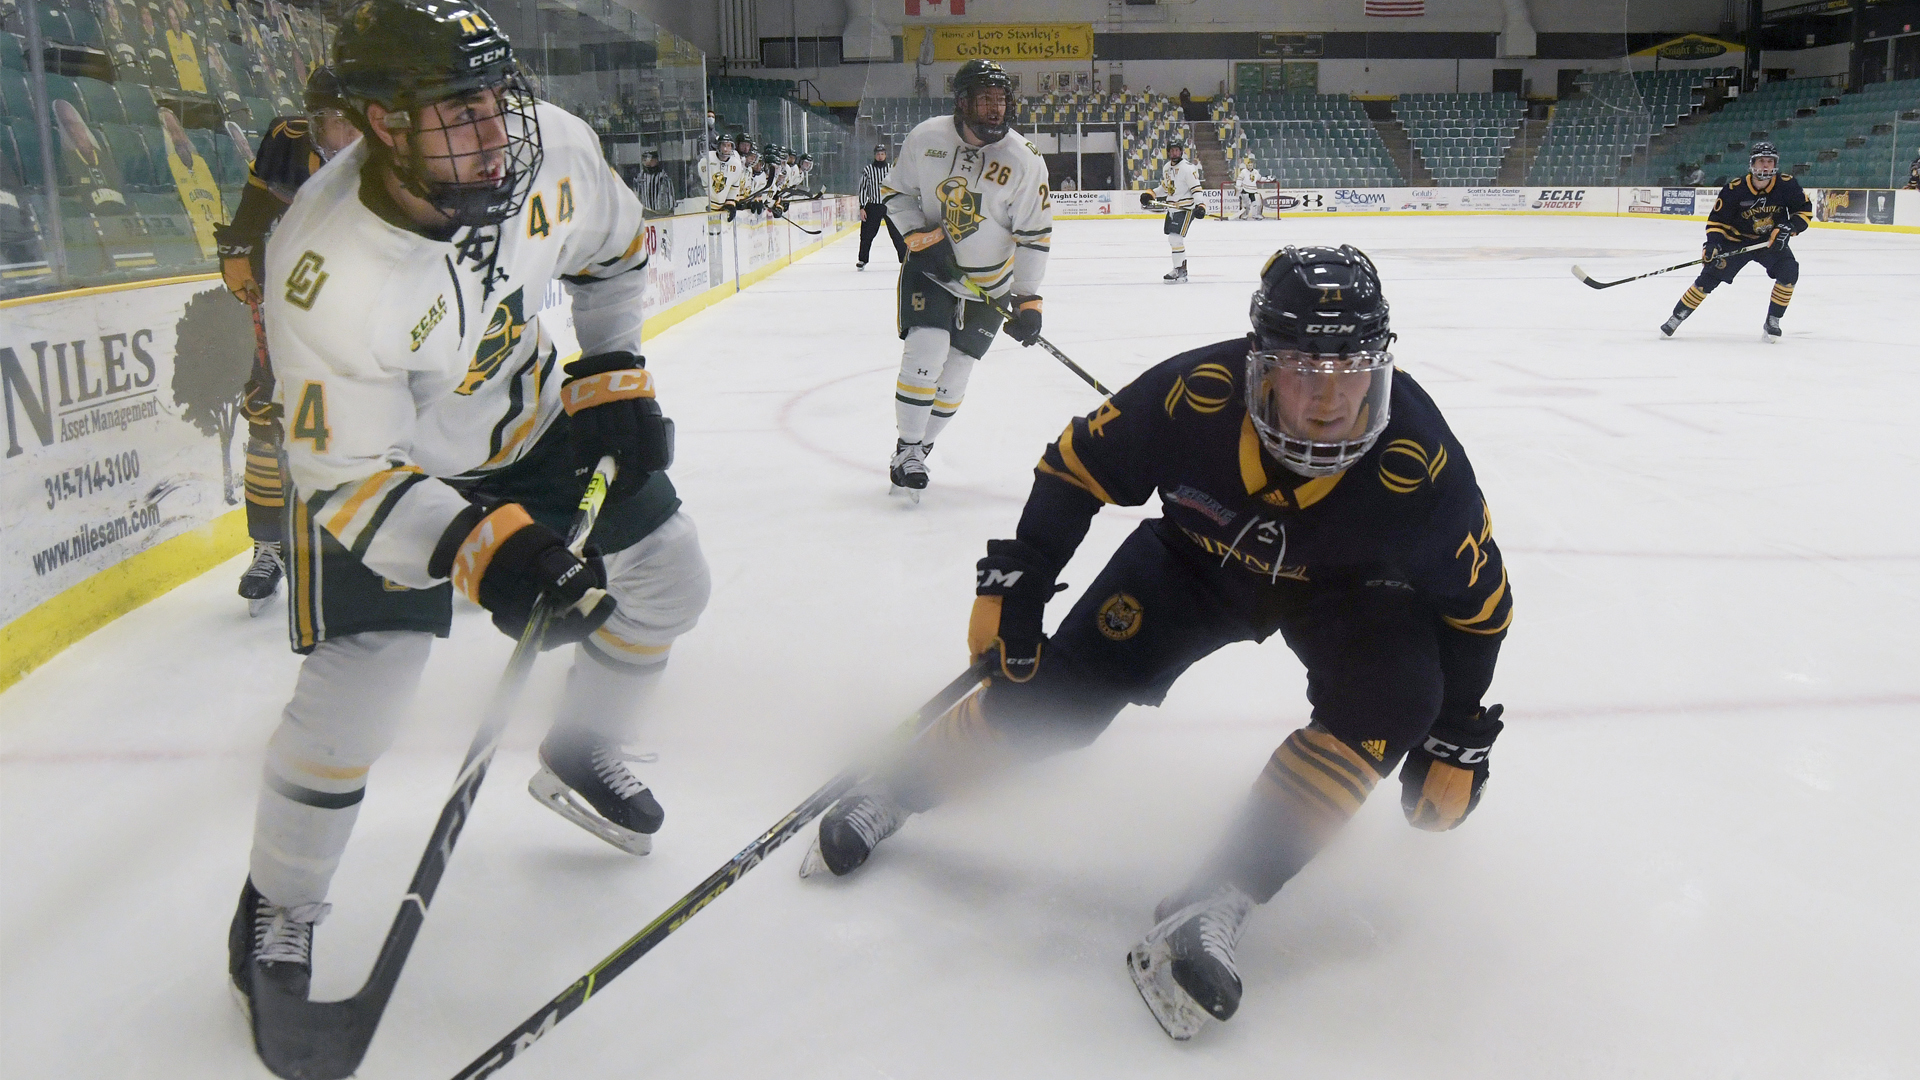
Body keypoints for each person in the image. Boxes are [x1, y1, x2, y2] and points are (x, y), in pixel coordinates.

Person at [805, 244, 1511, 1041]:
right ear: (1258, 366)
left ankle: (1219, 897)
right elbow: (1075, 468)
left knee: (1397, 697)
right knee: (1061, 699)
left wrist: (1455, 733)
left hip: (1346, 594)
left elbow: (1479, 609)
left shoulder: (1421, 462)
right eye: (1301, 368)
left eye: (1351, 368)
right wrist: (1023, 574)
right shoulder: (1196, 392)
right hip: (1196, 561)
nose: (1329, 398)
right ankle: (895, 786)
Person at [227, 0, 711, 1028]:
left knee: (671, 580)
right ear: (383, 124)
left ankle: (582, 746)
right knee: (365, 686)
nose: (498, 128)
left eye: (497, 96)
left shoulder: (551, 156)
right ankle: (280, 902)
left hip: (528, 423)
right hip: (380, 466)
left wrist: (614, 367)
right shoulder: (324, 269)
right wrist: (485, 552)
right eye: (459, 109)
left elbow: (613, 250)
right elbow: (350, 477)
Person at [213, 67, 361, 613]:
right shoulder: (286, 141)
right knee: (266, 417)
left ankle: (374, 535)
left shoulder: (389, 153)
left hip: (363, 315)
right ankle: (270, 548)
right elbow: (250, 218)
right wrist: (237, 252)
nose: (337, 129)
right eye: (329, 117)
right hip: (290, 308)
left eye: (349, 117)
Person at [880, 58, 1052, 500]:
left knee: (956, 374)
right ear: (961, 102)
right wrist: (919, 236)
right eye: (985, 99)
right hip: (932, 270)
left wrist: (1028, 301)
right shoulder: (926, 137)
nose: (996, 109)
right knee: (927, 349)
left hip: (990, 286)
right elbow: (897, 194)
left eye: (1001, 100)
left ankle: (914, 449)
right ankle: (910, 451)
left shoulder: (1025, 160)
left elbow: (1034, 236)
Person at [1661, 141, 1810, 343]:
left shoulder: (1787, 185)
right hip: (1735, 241)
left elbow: (1804, 211)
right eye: (1761, 161)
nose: (1765, 166)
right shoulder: (1734, 189)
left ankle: (1773, 320)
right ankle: (1676, 317)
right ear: (1752, 164)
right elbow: (1716, 221)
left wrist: (1789, 227)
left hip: (1769, 243)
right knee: (1708, 279)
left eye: (1769, 161)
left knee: (1789, 271)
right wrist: (1712, 244)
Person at [1154, 134, 1203, 282]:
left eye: (1177, 150)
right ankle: (1179, 269)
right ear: (1168, 152)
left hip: (1185, 208)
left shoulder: (1188, 168)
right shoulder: (1167, 168)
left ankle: (1180, 270)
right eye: (1172, 150)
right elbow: (1166, 188)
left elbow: (1196, 189)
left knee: (1175, 238)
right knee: (1173, 240)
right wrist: (1151, 193)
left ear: (1181, 152)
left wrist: (1200, 205)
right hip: (1172, 209)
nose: (1175, 153)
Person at [855, 142, 905, 270]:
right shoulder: (868, 170)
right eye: (878, 154)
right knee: (866, 235)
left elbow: (897, 186)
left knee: (897, 234)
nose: (880, 156)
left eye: (882, 154)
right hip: (873, 205)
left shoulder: (891, 169)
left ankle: (904, 259)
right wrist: (862, 207)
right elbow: (863, 189)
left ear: (885, 155)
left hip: (889, 205)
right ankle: (862, 259)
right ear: (874, 155)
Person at [698, 131, 745, 215]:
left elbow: (734, 187)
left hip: (722, 209)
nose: (726, 149)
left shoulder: (736, 164)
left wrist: (729, 203)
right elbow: (704, 184)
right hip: (705, 207)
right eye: (723, 145)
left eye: (728, 145)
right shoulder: (706, 160)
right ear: (718, 146)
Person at [632, 147, 676, 215]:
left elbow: (671, 198)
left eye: (652, 159)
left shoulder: (664, 177)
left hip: (662, 214)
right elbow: (636, 198)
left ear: (656, 160)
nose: (648, 162)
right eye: (645, 159)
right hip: (645, 214)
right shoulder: (638, 179)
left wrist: (670, 212)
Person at [1234, 154, 1268, 220]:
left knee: (1255, 204)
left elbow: (1260, 178)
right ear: (1247, 165)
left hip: (1252, 190)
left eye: (1251, 165)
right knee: (1247, 205)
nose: (1250, 166)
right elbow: (1239, 179)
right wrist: (1238, 186)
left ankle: (1255, 215)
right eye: (1249, 165)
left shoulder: (1255, 172)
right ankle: (1244, 216)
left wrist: (1267, 178)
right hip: (1245, 190)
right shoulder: (1244, 172)